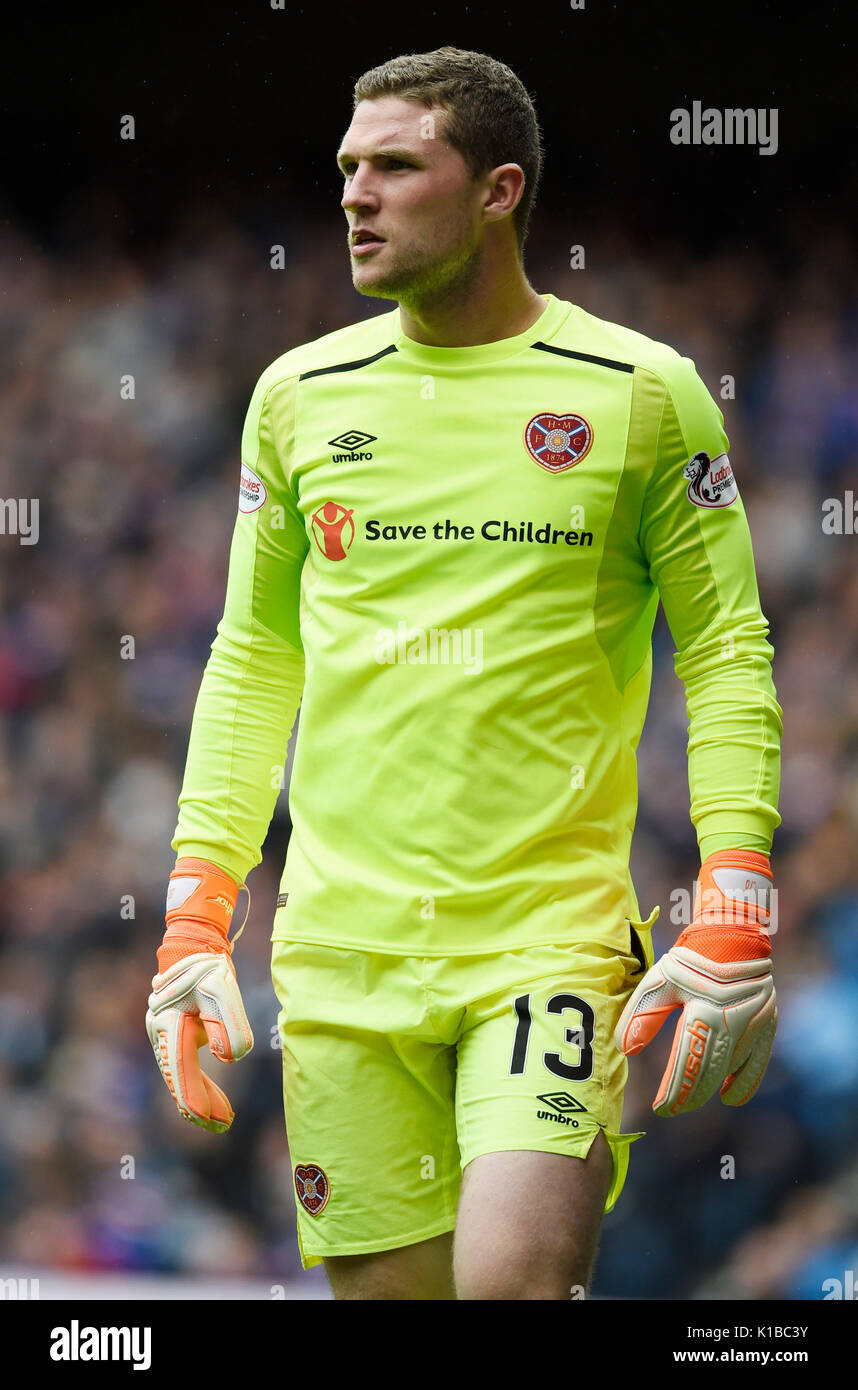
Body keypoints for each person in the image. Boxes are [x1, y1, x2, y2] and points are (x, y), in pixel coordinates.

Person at [145, 46, 782, 1301]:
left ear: (497, 190)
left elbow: (724, 645)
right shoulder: (297, 397)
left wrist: (738, 880)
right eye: (346, 168)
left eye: (394, 165)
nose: (354, 196)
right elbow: (253, 655)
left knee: (509, 1286)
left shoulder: (643, 396)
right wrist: (194, 904)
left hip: (545, 943)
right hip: (341, 959)